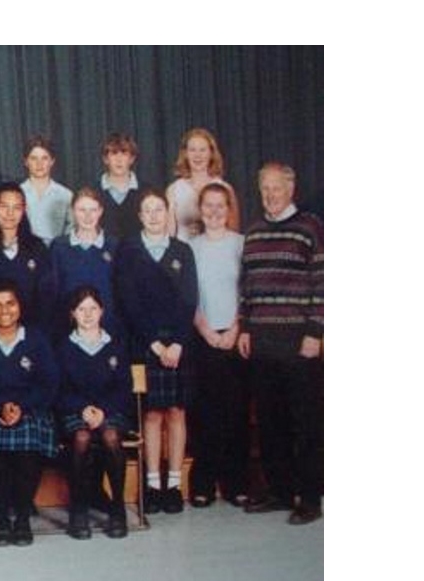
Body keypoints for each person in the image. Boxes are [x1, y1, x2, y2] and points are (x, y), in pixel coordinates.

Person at [238, 163, 323, 525]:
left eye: (276, 188)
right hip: (261, 337)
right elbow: (246, 285)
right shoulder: (254, 231)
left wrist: (315, 332)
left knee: (305, 422)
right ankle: (279, 491)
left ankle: (310, 496)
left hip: (298, 338)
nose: (270, 195)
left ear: (291, 189)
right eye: (265, 189)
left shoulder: (310, 228)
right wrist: (244, 327)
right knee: (270, 421)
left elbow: (325, 281)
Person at [116, 190, 199, 515]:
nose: (153, 216)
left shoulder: (182, 251)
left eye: (158, 210)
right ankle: (151, 485)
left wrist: (177, 342)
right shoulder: (129, 250)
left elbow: (189, 299)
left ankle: (174, 485)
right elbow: (128, 301)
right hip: (145, 342)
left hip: (178, 343)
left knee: (176, 412)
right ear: (139, 215)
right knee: (151, 413)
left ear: (168, 213)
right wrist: (154, 342)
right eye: (147, 210)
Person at [0, 281, 59, 546]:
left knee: (29, 445)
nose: (4, 310)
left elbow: (49, 383)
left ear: (20, 306)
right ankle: (1, 518)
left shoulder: (36, 339)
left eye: (10, 303)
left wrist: (21, 407)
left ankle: (23, 516)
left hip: (29, 409)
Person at [188, 183, 250, 508]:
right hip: (204, 335)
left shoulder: (241, 245)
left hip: (235, 336)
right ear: (200, 210)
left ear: (229, 209)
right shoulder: (190, 247)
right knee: (205, 414)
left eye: (220, 206)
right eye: (208, 206)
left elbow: (248, 292)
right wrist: (206, 330)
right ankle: (203, 484)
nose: (214, 212)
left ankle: (237, 482)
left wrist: (235, 328)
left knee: (236, 413)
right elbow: (189, 295)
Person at [56, 288, 133, 540]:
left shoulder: (115, 345)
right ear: (72, 314)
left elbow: (124, 387)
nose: (87, 315)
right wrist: (82, 409)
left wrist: (103, 411)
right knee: (81, 438)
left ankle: (117, 509)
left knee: (111, 437)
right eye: (81, 310)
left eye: (92, 309)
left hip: (110, 410)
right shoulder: (64, 347)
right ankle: (79, 509)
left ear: (101, 311)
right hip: (75, 410)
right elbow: (59, 389)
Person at [0, 183, 55, 331]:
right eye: (4, 206)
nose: (10, 213)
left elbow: (45, 298)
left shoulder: (37, 247)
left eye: (16, 208)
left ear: (24, 209)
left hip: (29, 333)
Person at [50, 187, 123, 338]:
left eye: (93, 210)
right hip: (68, 332)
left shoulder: (115, 246)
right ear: (73, 211)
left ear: (101, 211)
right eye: (82, 210)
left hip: (108, 330)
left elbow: (121, 294)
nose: (88, 216)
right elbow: (53, 293)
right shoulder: (59, 247)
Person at [165, 128, 241, 241]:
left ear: (211, 153)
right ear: (185, 154)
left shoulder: (225, 188)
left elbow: (233, 230)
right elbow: (168, 234)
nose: (197, 155)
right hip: (183, 253)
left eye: (202, 150)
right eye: (192, 150)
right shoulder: (174, 189)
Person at [19, 136, 73, 245]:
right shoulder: (17, 193)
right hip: (26, 253)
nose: (39, 164)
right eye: (34, 158)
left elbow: (72, 230)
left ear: (52, 161)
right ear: (26, 162)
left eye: (44, 158)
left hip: (56, 254)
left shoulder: (65, 195)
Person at [96, 132, 146, 241]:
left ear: (132, 159)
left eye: (124, 153)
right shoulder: (93, 192)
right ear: (106, 159)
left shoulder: (146, 192)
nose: (119, 160)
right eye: (114, 153)